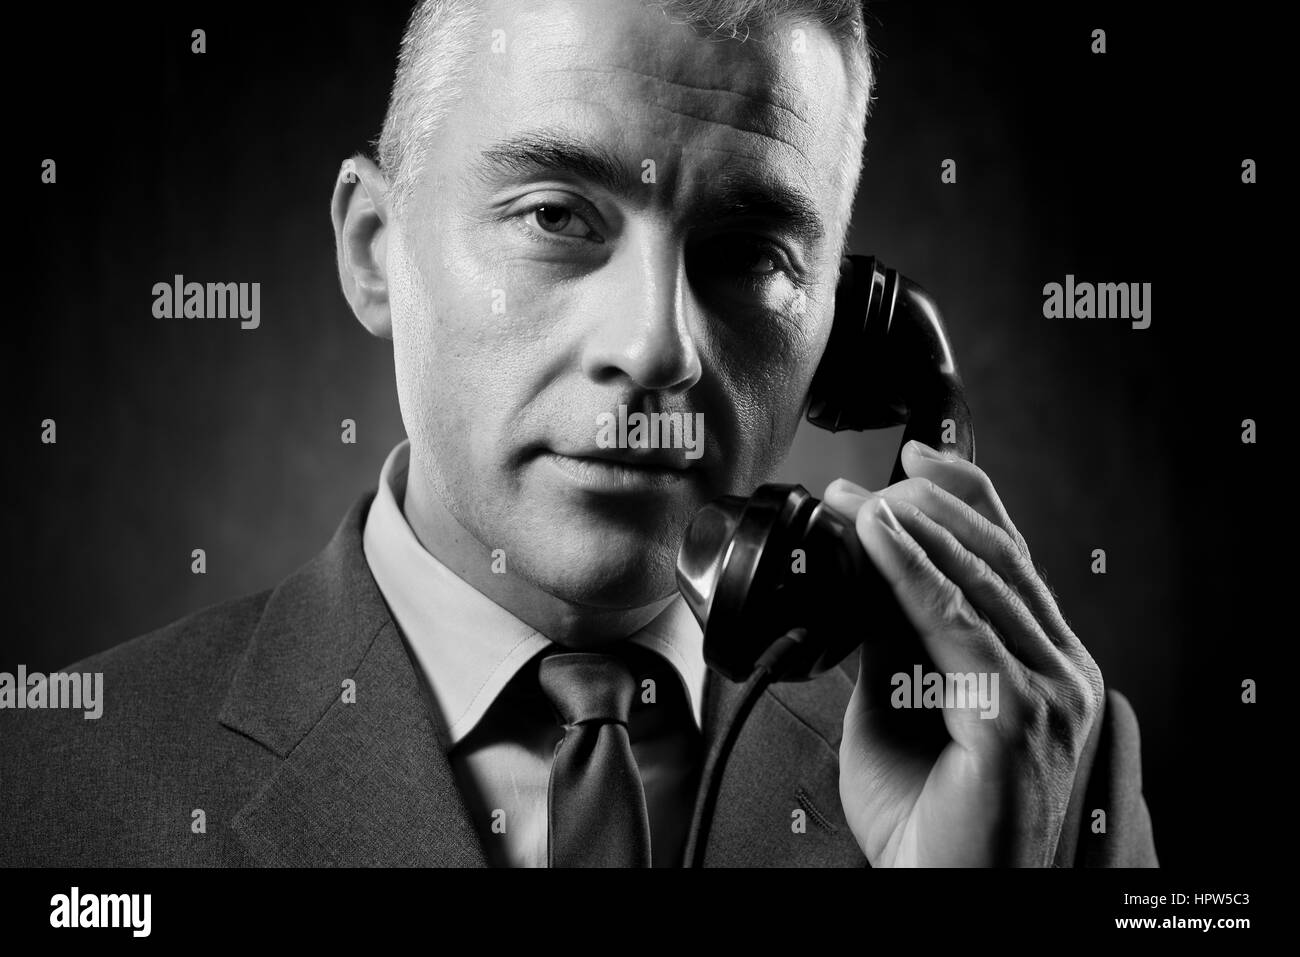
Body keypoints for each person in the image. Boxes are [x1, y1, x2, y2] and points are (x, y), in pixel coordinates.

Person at [0, 0, 1157, 867]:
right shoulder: (46, 793)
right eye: (554, 215)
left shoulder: (1047, 762)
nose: (656, 348)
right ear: (372, 250)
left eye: (752, 251)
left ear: (848, 335)